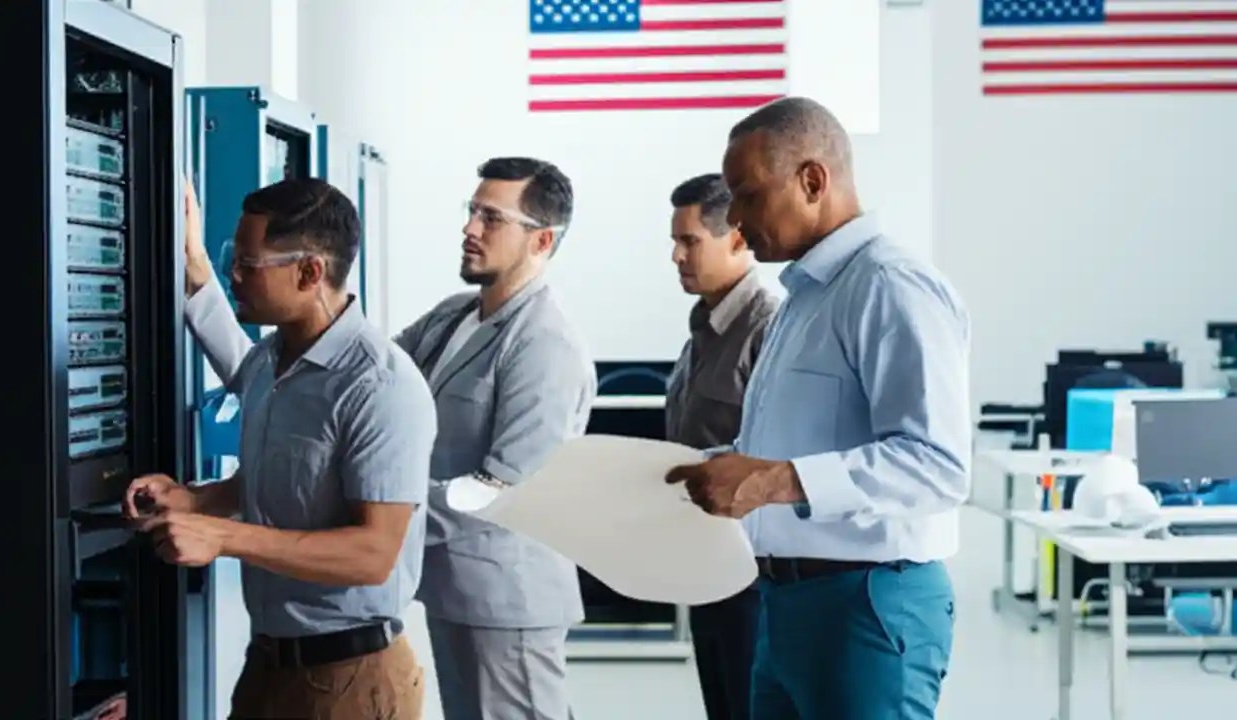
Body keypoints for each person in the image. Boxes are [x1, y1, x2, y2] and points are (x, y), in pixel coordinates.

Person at [666, 97, 972, 719]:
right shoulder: (805, 296)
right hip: (785, 601)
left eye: (747, 196)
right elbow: (791, 447)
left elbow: (937, 464)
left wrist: (772, 480)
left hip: (865, 599)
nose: (739, 222)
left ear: (812, 180)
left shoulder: (890, 285)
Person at [124, 177, 437, 719]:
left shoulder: (379, 386)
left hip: (351, 681)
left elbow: (373, 553)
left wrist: (220, 535)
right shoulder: (273, 361)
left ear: (310, 272)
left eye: (248, 263)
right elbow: (288, 481)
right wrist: (194, 502)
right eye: (230, 258)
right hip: (269, 666)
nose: (234, 274)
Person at [393, 157, 596, 720]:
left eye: (491, 218)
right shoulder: (453, 317)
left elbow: (503, 487)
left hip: (510, 602)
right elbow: (365, 374)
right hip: (455, 589)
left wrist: (382, 519)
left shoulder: (545, 343)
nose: (470, 229)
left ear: (542, 239)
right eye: (471, 212)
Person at [664, 173, 779, 720]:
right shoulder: (705, 327)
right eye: (675, 240)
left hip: (753, 572)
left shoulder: (768, 325)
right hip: (707, 565)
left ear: (736, 237)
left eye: (690, 242)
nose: (676, 255)